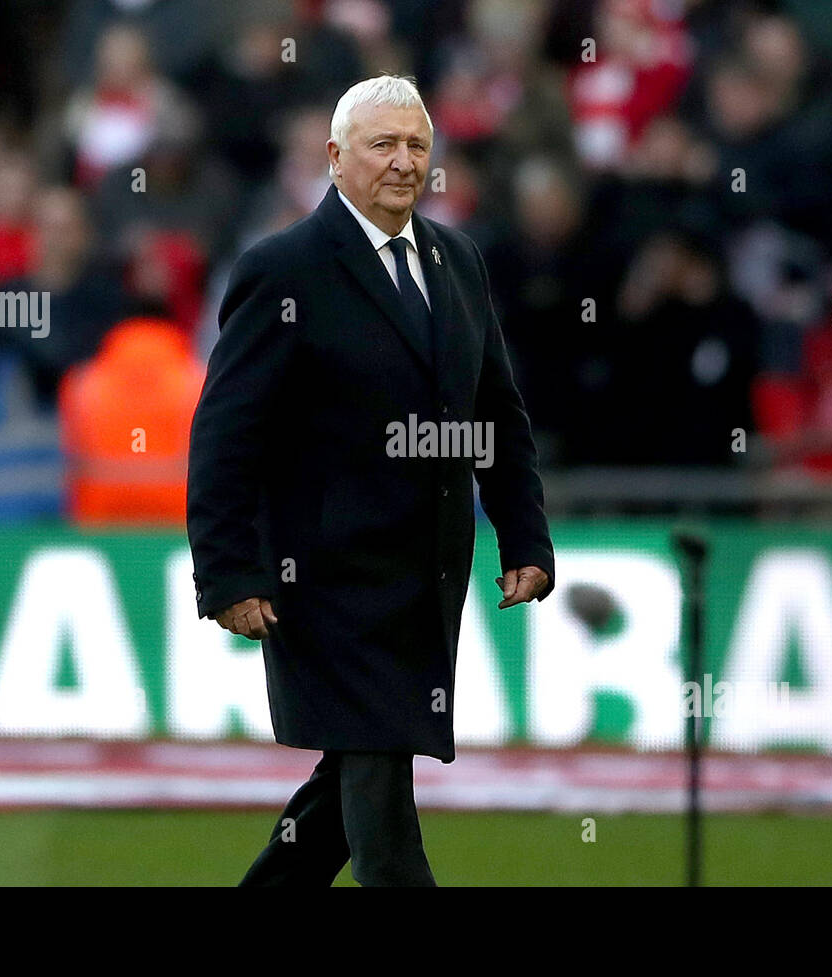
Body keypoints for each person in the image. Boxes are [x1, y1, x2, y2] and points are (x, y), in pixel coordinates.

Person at [186, 74, 555, 886]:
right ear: (334, 156)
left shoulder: (458, 261)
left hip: (426, 575)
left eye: (417, 144)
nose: (403, 161)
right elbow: (224, 436)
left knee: (350, 778)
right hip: (322, 580)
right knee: (383, 804)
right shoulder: (282, 269)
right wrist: (227, 572)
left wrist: (524, 533)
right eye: (383, 143)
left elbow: (496, 410)